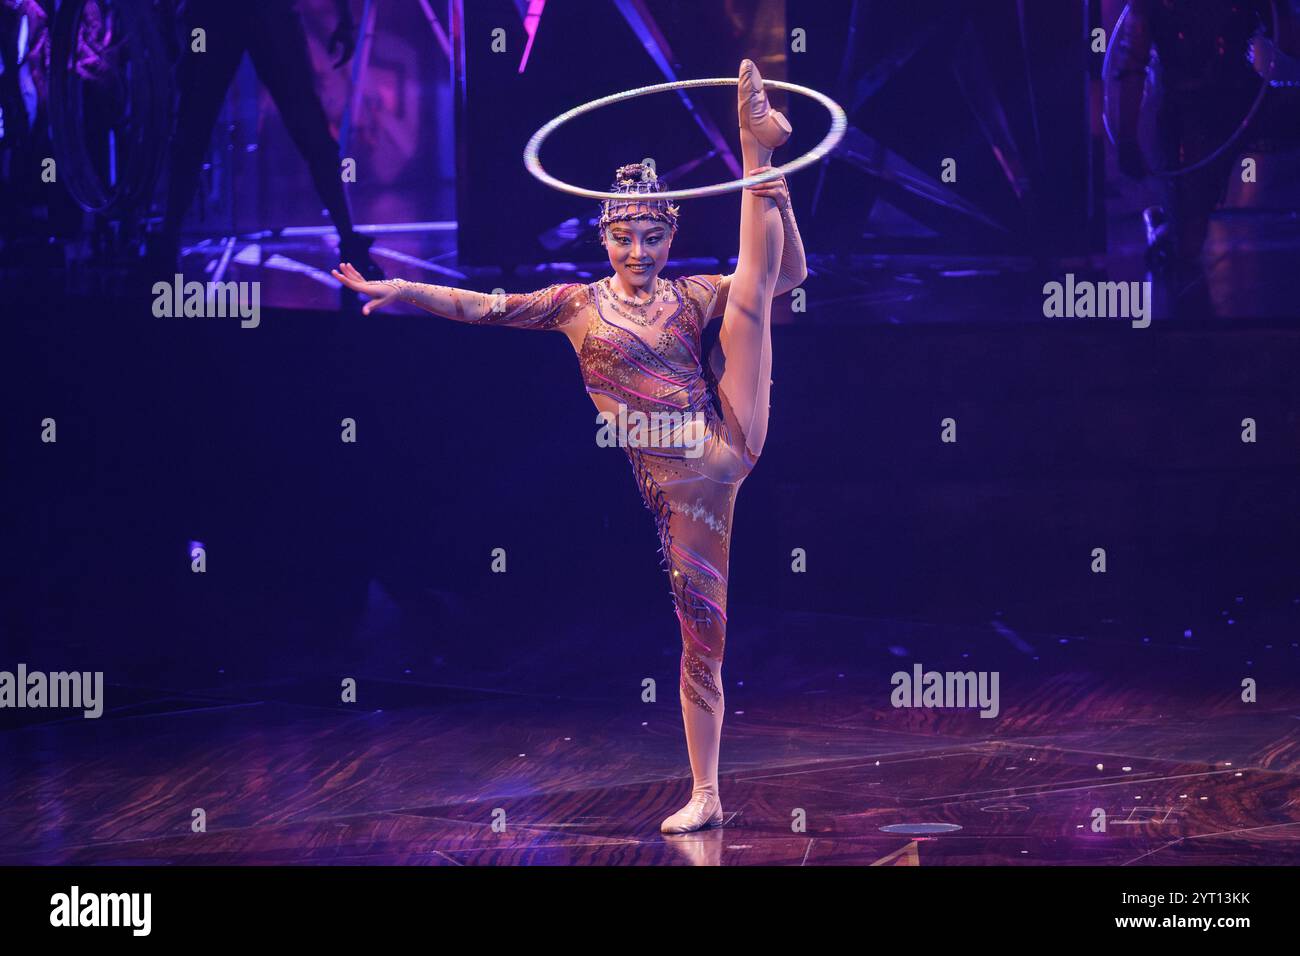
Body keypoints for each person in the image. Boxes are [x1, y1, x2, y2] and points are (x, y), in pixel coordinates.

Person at [334, 58, 806, 834]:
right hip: (687, 495)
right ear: (604, 233)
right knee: (701, 641)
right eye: (626, 236)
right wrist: (405, 290)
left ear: (671, 233)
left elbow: (790, 274)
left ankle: (757, 147)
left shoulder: (690, 294)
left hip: (728, 434)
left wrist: (775, 195)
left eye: (654, 236)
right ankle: (709, 793)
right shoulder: (573, 307)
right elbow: (482, 306)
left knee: (749, 299)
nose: (640, 251)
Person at [155, 0, 382, 278]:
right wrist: (345, 17)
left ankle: (167, 241)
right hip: (251, 14)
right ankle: (349, 241)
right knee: (308, 129)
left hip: (221, 14)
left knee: (194, 128)